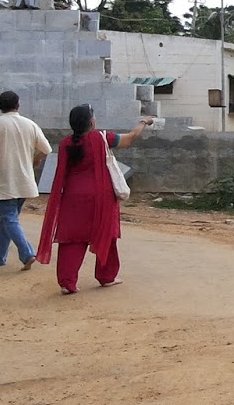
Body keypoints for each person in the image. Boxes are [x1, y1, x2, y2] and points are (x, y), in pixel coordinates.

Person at [36, 105, 153, 294]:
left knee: (72, 238)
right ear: (91, 122)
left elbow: (62, 174)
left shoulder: (66, 144)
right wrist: (143, 122)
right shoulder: (102, 138)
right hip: (101, 196)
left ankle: (68, 281)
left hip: (73, 196)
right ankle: (106, 276)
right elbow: (130, 138)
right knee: (106, 233)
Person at [0, 90, 52, 270]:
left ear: (0, 106)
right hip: (24, 179)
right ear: (18, 105)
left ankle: (27, 253)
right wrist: (36, 159)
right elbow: (46, 149)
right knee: (8, 219)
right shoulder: (29, 124)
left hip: (4, 180)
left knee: (9, 218)